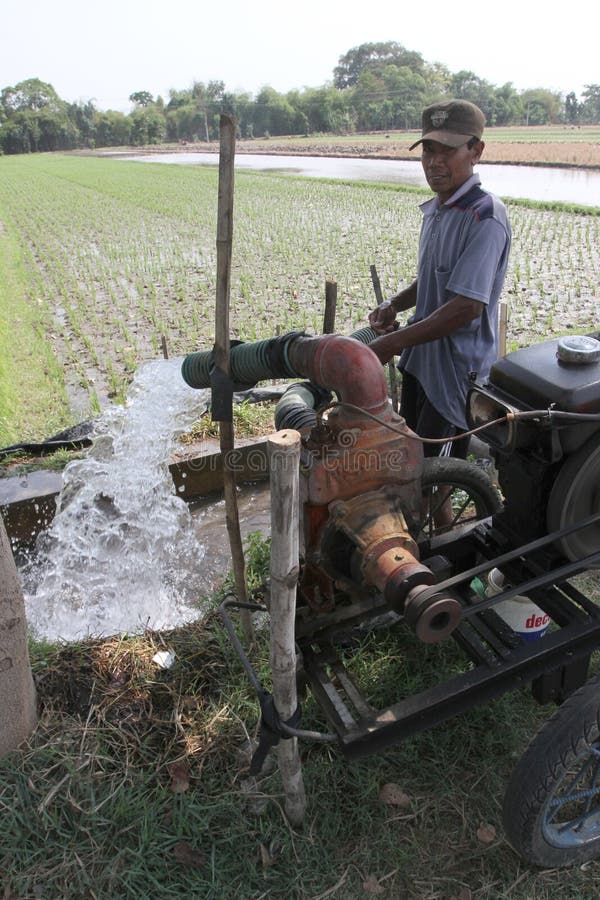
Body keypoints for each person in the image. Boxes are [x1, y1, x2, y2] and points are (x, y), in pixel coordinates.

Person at [368, 99, 511, 459]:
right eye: (428, 150)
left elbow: (466, 307)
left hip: (454, 374)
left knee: (436, 473)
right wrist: (395, 304)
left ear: (476, 151)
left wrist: (389, 343)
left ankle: (440, 516)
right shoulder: (439, 210)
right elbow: (434, 279)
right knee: (413, 459)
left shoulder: (484, 217)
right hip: (422, 361)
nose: (435, 161)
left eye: (448, 150)